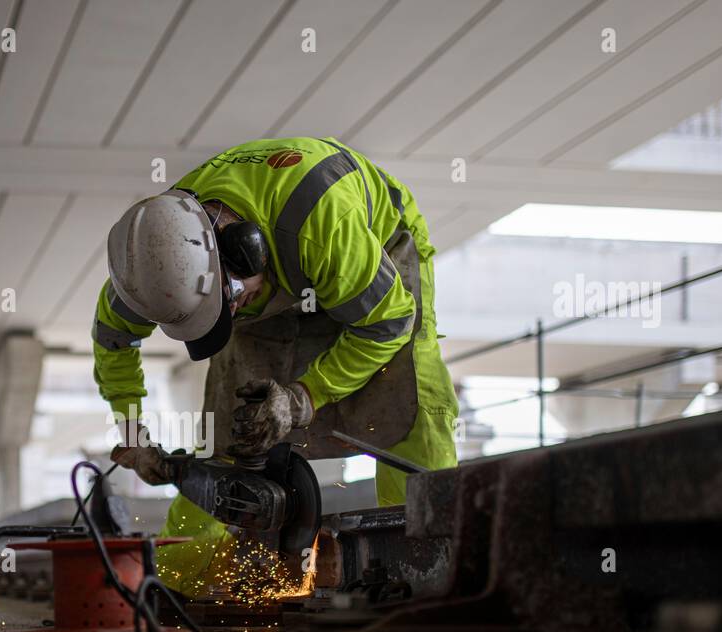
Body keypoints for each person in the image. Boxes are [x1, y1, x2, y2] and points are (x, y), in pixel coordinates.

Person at [93, 137, 458, 596]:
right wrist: (132, 433)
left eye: (232, 302)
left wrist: (304, 397)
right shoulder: (154, 269)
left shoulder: (326, 226)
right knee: (232, 431)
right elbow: (113, 341)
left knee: (409, 409)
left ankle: (427, 571)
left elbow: (386, 325)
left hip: (376, 257)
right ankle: (178, 585)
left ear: (243, 249)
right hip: (283, 266)